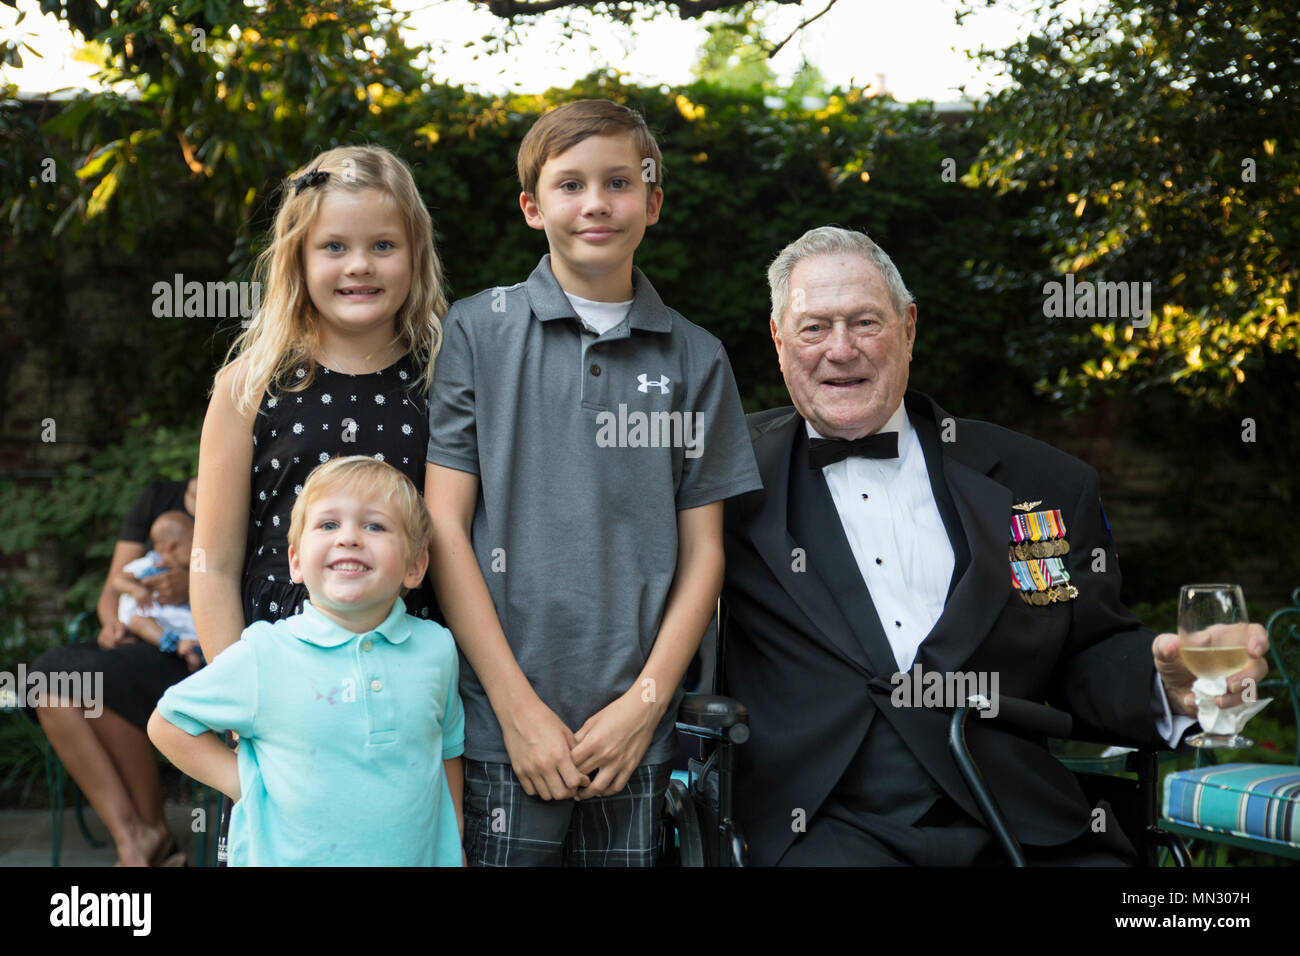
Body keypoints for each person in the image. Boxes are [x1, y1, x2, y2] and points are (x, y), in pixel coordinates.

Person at [721, 226, 1271, 866]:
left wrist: (1165, 682)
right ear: (778, 340)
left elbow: (1085, 654)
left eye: (865, 323)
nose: (840, 350)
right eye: (814, 328)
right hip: (816, 825)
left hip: (1016, 820)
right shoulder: (720, 481)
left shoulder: (1042, 482)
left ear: (909, 328)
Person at [425, 99, 762, 866]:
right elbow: (444, 528)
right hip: (500, 729)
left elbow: (704, 554)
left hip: (639, 738)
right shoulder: (476, 333)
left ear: (653, 203)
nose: (597, 203)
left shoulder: (697, 357)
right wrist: (516, 711)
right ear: (531, 207)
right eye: (570, 184)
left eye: (619, 182)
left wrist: (644, 708)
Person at [191, 144, 447, 864]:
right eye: (334, 246)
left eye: (382, 246)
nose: (358, 265)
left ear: (415, 254)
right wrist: (244, 695)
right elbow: (213, 564)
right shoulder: (250, 385)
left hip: (402, 678)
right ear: (298, 258)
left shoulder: (447, 380)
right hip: (285, 687)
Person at [149, 457, 464, 865]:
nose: (349, 537)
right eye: (328, 525)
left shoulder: (436, 649)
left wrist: (453, 839)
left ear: (416, 566)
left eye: (375, 525)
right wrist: (250, 786)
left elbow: (447, 749)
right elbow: (168, 723)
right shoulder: (265, 655)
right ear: (296, 562)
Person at [25, 477, 197, 867]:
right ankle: (135, 836)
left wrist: (192, 583)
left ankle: (148, 838)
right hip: (133, 636)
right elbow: (114, 587)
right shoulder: (159, 496)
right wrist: (112, 625)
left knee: (100, 683)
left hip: (185, 650)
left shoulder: (244, 490)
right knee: (48, 681)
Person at [115, 511, 203, 672]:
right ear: (172, 547)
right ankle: (175, 645)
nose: (198, 548)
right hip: (145, 617)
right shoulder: (150, 563)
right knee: (140, 622)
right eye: (193, 543)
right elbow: (118, 579)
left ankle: (192, 653)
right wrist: (136, 590)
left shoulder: (188, 569)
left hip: (173, 621)